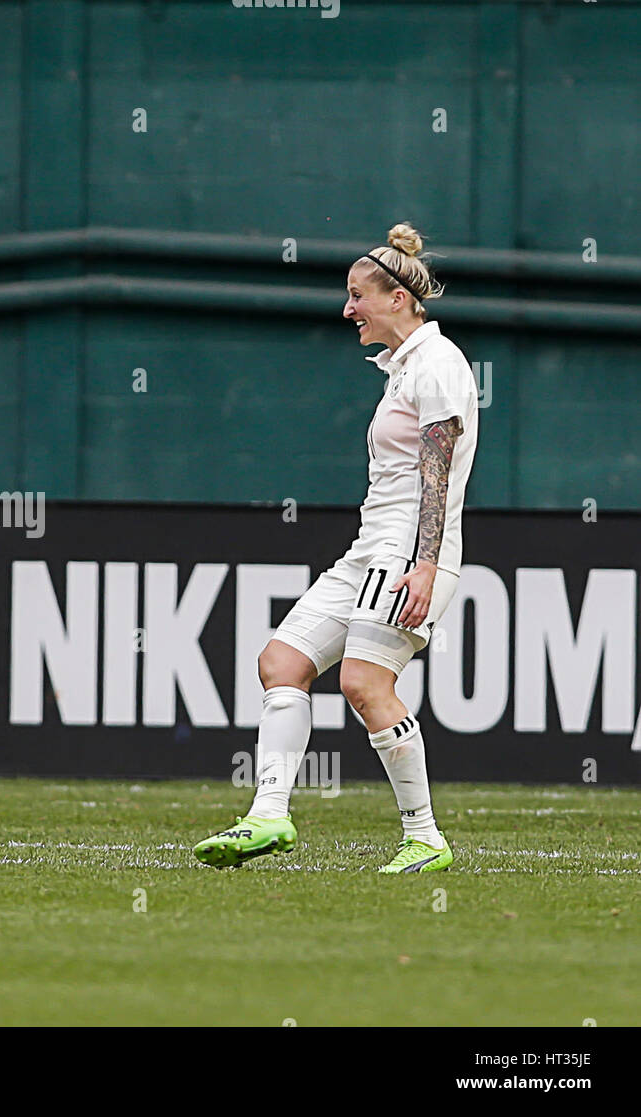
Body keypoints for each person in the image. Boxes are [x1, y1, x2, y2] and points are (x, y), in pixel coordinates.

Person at [193, 223, 478, 874]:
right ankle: (267, 816)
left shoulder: (437, 365)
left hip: (406, 551)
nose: (347, 309)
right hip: (370, 549)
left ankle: (425, 836)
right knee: (281, 661)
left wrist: (425, 564)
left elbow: (437, 470)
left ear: (398, 299)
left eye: (357, 296)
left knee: (364, 682)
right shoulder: (408, 366)